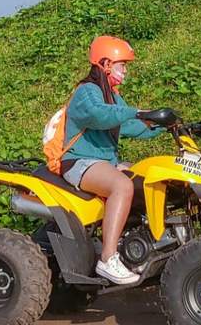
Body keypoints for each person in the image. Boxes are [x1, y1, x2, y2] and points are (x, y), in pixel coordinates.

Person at [58, 36, 162, 285]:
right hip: (79, 163)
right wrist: (137, 111)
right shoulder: (87, 92)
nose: (125, 70)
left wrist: (163, 126)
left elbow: (128, 125)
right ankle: (108, 258)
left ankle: (140, 248)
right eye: (122, 64)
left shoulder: (112, 96)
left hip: (102, 162)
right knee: (122, 185)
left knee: (145, 179)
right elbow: (100, 116)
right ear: (105, 64)